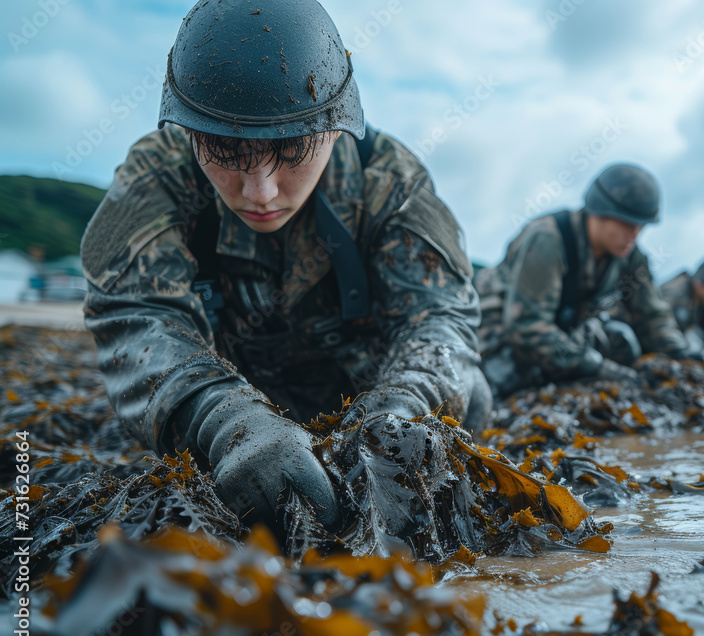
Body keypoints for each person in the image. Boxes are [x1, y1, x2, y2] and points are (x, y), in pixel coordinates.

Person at [79, 0, 489, 533]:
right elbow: (135, 316)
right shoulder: (157, 176)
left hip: (364, 399)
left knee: (469, 394)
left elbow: (442, 322)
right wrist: (221, 420)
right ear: (188, 132)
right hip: (233, 404)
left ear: (337, 127)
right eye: (225, 151)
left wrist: (405, 407)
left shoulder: (390, 183)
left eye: (293, 150)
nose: (261, 192)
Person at [475, 163, 692, 398]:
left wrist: (680, 353)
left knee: (620, 340)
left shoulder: (629, 255)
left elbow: (653, 314)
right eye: (627, 223)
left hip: (564, 334)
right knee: (501, 381)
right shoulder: (547, 238)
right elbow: (526, 329)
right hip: (503, 339)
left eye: (641, 225)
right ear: (600, 210)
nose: (634, 234)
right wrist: (598, 367)